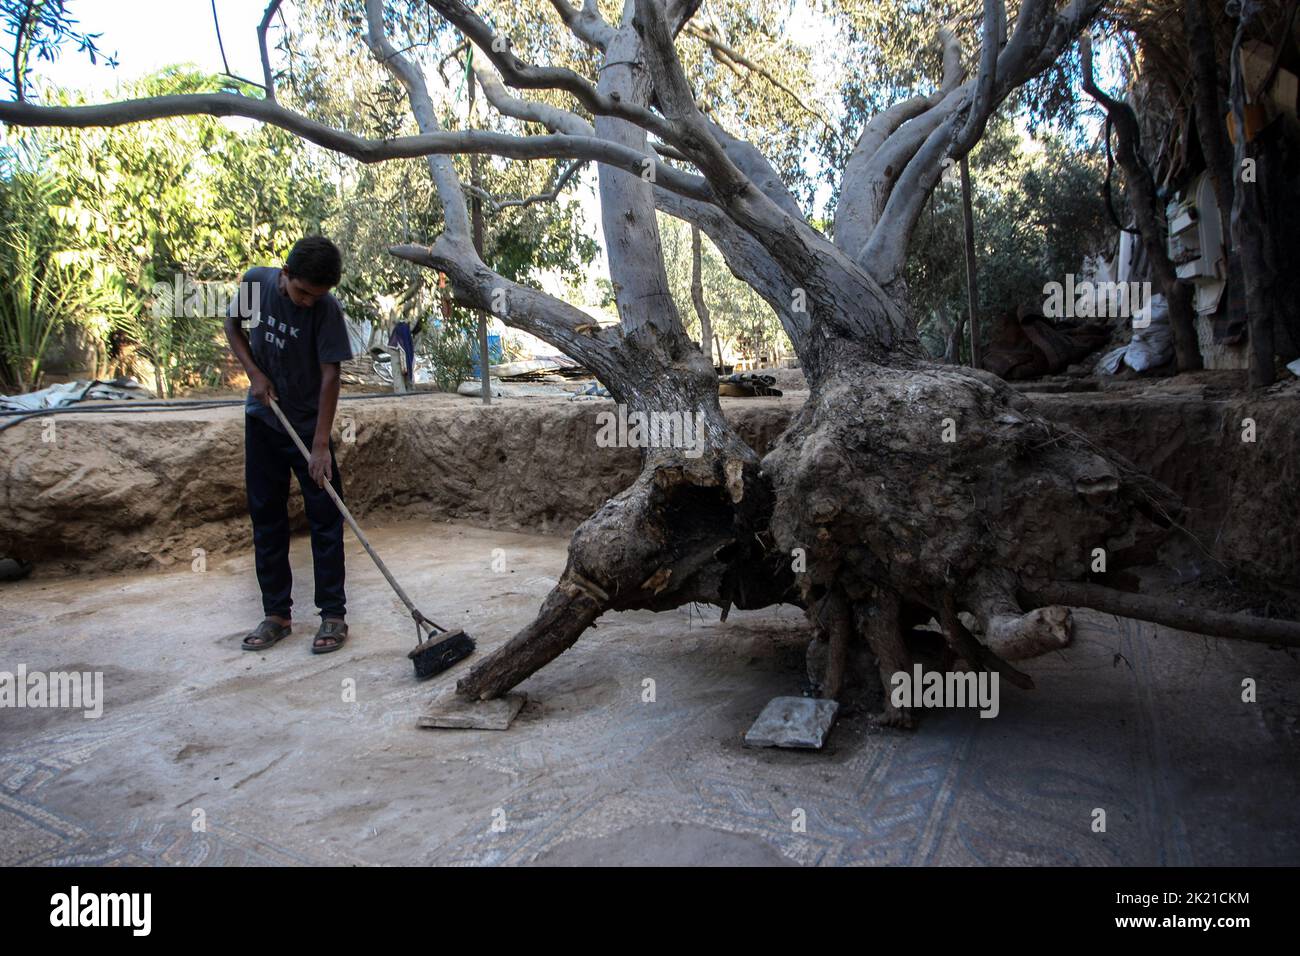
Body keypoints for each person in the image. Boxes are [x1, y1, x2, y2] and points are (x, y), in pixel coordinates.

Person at [222, 236, 355, 654]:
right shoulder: (256, 283)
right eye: (301, 293)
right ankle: (276, 615)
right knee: (267, 518)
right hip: (264, 422)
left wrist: (319, 446)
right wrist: (254, 375)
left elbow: (331, 377)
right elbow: (232, 326)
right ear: (285, 274)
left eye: (316, 297)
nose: (307, 303)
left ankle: (333, 615)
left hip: (307, 427)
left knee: (326, 521)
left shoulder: (326, 309)